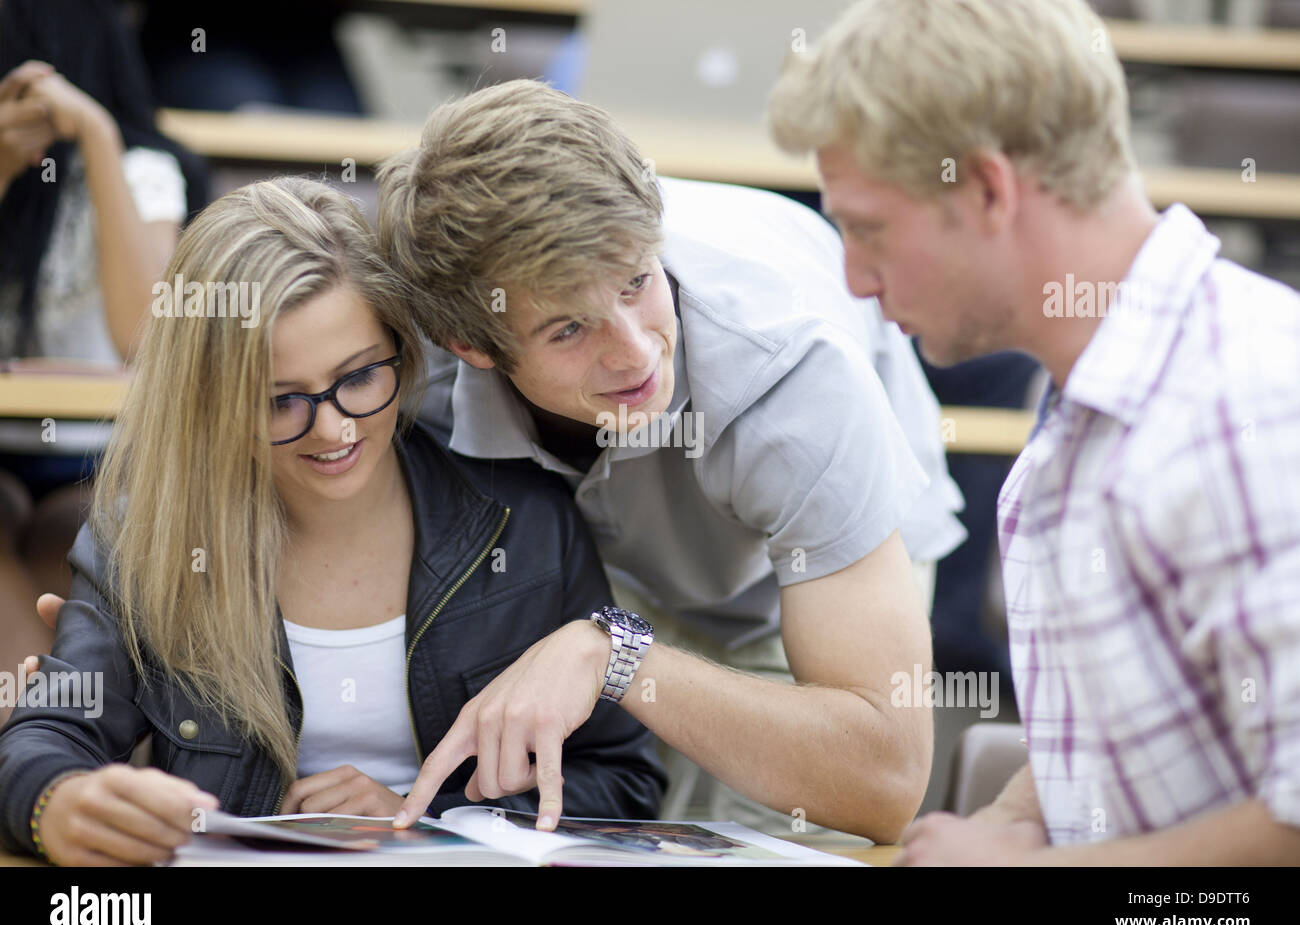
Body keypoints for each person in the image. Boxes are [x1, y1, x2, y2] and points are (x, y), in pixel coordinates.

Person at [767, 0, 1300, 863]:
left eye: (867, 229)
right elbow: (1129, 735)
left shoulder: (1244, 408)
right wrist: (1021, 818)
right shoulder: (1092, 403)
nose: (855, 279)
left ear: (986, 188)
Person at [0, 177, 664, 865]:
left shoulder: (524, 525)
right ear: (212, 401)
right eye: (281, 401)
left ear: (402, 355)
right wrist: (61, 803)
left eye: (358, 378)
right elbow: (42, 740)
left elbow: (622, 782)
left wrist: (427, 818)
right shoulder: (146, 539)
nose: (335, 429)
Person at [377, 80, 963, 841]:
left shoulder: (796, 372)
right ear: (471, 348)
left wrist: (616, 656)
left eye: (636, 283)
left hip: (798, 589)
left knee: (773, 845)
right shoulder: (418, 364)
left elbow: (881, 778)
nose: (635, 352)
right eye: (568, 330)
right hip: (614, 582)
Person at [0, 0, 207, 702]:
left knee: (78, 533)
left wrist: (93, 133)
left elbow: (145, 338)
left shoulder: (143, 168)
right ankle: (34, 774)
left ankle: (51, 767)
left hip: (96, 450)